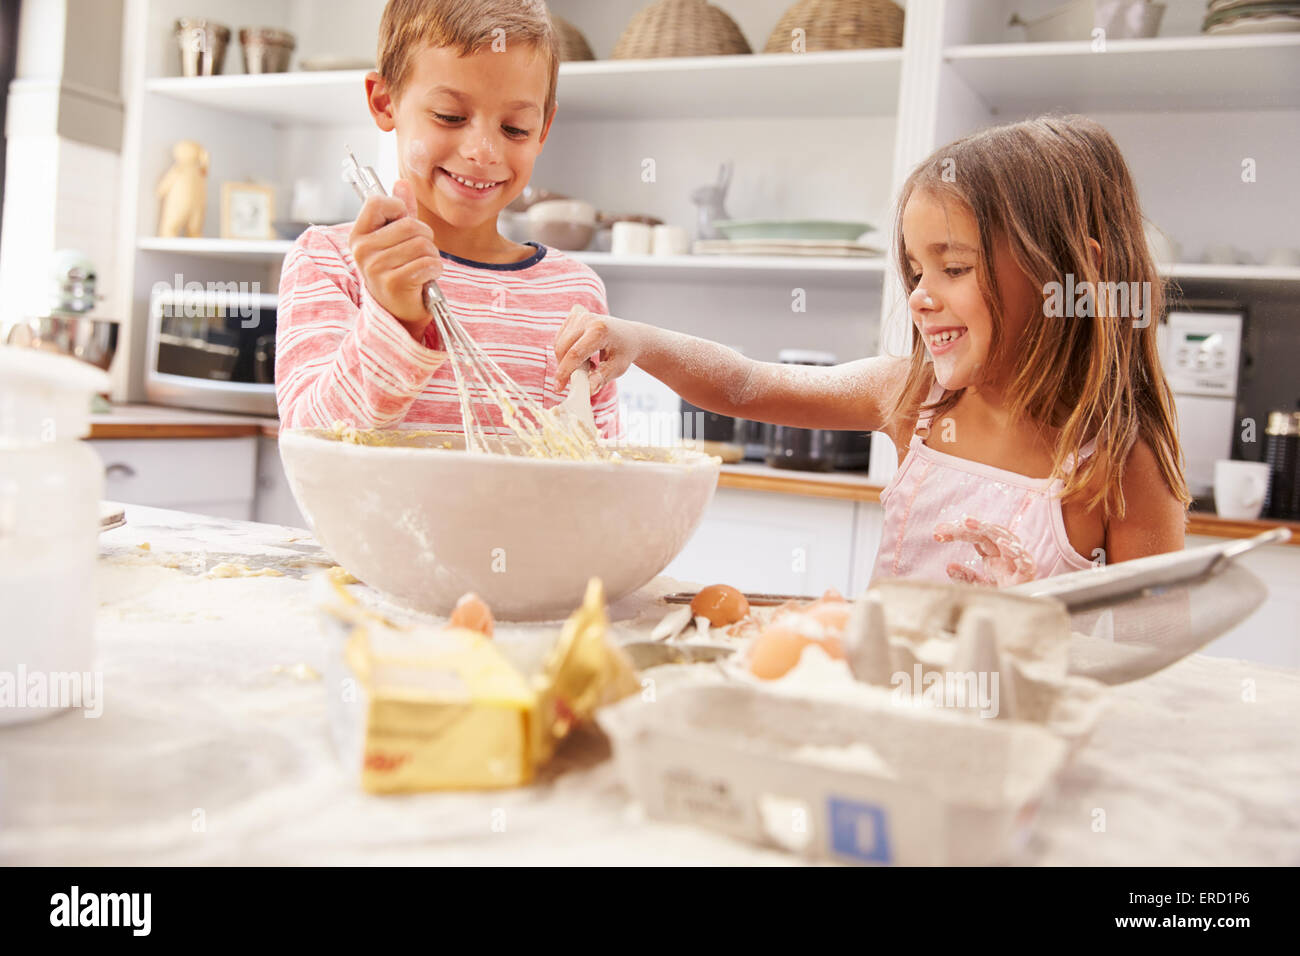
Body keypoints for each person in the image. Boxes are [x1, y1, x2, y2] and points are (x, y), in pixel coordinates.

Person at [555, 115, 1190, 586]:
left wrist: (1038, 625)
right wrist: (639, 341)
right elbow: (744, 385)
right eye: (917, 272)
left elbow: (1153, 660)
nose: (920, 297)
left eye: (956, 269)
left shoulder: (1120, 463)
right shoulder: (911, 399)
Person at [276, 0, 619, 438]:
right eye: (450, 117)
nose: (483, 151)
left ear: (544, 129)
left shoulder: (574, 292)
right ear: (385, 102)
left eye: (515, 128)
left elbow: (600, 464)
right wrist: (395, 319)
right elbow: (311, 443)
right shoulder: (330, 263)